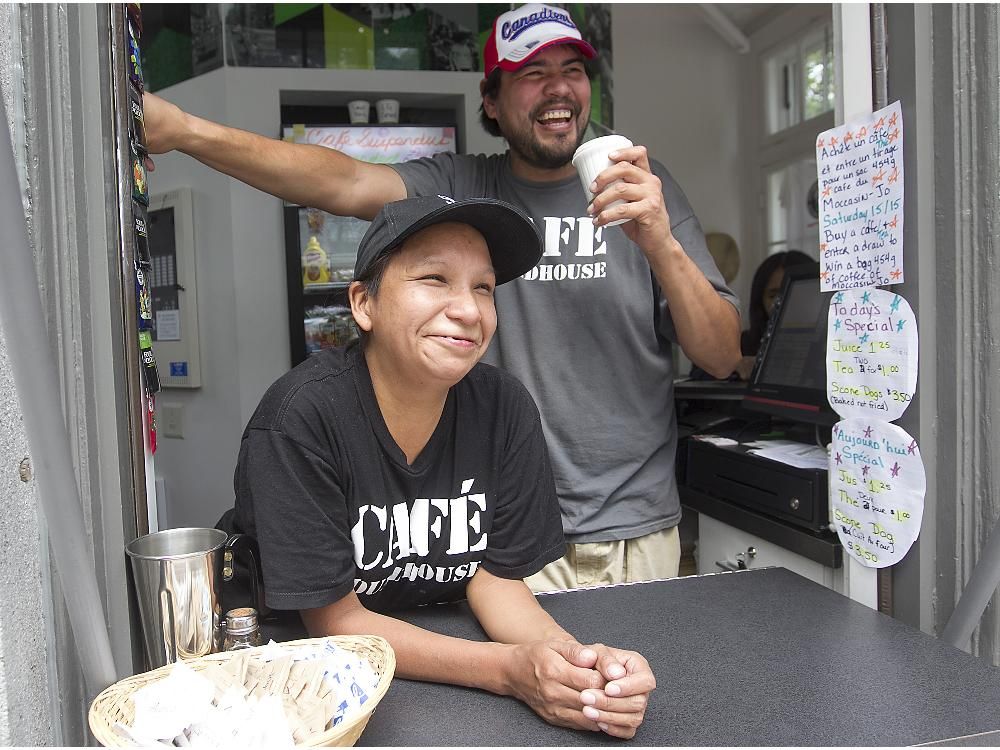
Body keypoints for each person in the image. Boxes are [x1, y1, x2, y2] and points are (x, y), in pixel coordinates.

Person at [143, 3, 742, 593]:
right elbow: (342, 181)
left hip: (636, 527)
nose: (558, 89)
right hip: (498, 533)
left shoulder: (648, 194)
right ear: (491, 99)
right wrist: (185, 131)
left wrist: (659, 239)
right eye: (533, 74)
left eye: (573, 70)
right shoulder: (464, 187)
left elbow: (720, 356)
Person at [220, 194, 655, 738]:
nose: (470, 311)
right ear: (364, 304)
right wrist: (509, 673)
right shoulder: (300, 418)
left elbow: (494, 581)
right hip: (302, 681)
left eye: (483, 287)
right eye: (434, 278)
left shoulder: (503, 408)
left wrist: (574, 663)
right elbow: (336, 622)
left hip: (437, 659)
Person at [733, 250, 816, 380]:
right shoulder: (740, 345)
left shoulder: (836, 347)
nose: (782, 302)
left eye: (793, 291)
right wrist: (735, 368)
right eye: (773, 295)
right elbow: (699, 375)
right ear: (760, 301)